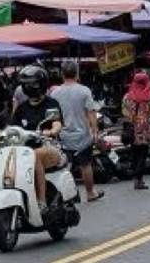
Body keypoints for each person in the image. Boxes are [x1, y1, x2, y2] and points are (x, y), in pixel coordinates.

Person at [9, 65, 65, 204]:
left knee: (34, 157)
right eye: (26, 84)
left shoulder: (51, 103)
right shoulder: (22, 107)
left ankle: (41, 200)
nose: (29, 86)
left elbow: (57, 123)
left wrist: (51, 131)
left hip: (49, 146)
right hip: (24, 148)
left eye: (33, 83)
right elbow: (12, 127)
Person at [50, 60, 103, 202]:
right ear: (77, 73)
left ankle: (69, 195)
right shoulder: (84, 91)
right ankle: (90, 193)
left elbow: (52, 115)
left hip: (63, 135)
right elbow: (91, 113)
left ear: (62, 74)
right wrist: (95, 130)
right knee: (85, 165)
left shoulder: (55, 93)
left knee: (65, 166)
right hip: (82, 135)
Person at [122, 70, 150, 190]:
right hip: (144, 129)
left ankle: (135, 177)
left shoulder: (127, 96)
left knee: (134, 153)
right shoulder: (149, 96)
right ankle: (139, 179)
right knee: (143, 154)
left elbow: (124, 112)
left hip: (132, 128)